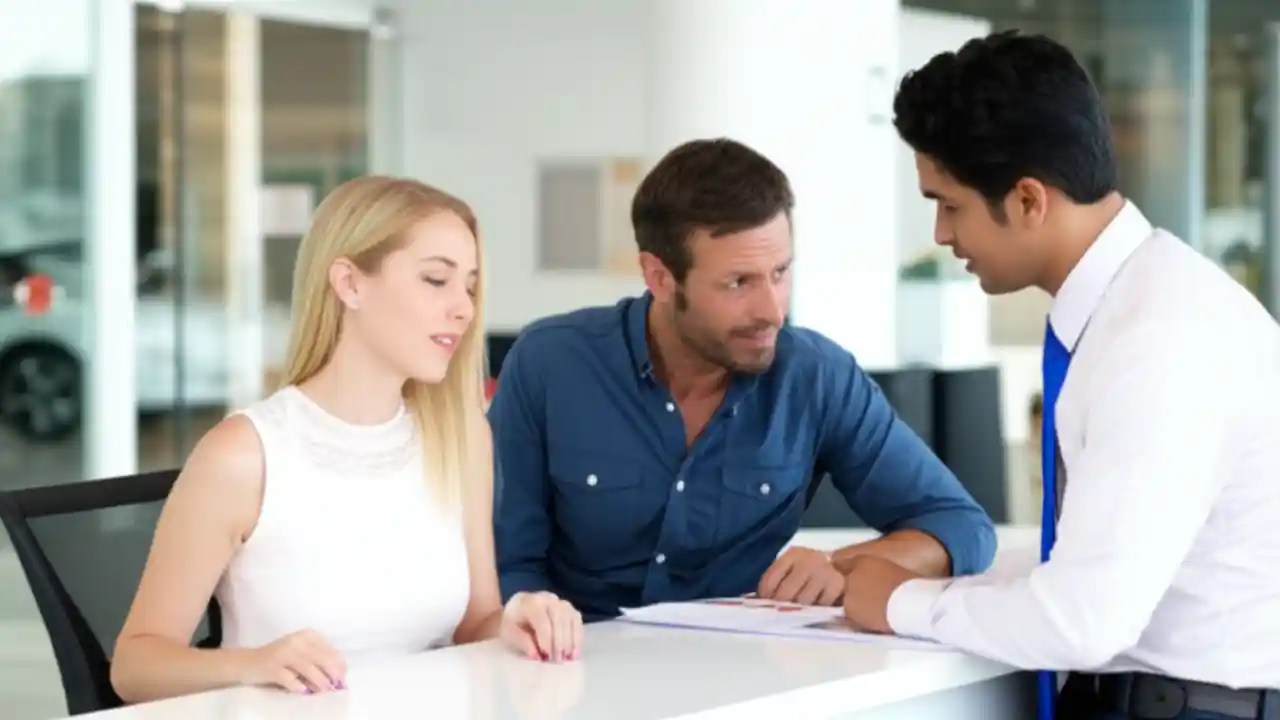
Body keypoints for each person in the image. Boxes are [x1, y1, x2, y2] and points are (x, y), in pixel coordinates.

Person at [842, 31, 1280, 720]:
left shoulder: (1160, 340)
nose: (940, 235)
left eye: (949, 204)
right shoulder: (1133, 307)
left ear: (1027, 201)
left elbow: (1084, 619)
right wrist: (918, 575)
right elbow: (1095, 563)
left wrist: (898, 603)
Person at [111, 177, 583, 704]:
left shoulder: (461, 438)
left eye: (469, 286)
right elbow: (135, 666)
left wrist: (516, 621)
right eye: (435, 280)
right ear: (350, 284)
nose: (465, 309)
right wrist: (253, 664)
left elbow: (472, 623)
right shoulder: (245, 455)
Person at [489, 138, 996, 621]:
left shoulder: (815, 377)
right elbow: (506, 565)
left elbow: (960, 526)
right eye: (738, 283)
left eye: (780, 273)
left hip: (745, 678)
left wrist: (841, 564)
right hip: (572, 672)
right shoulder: (549, 364)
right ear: (660, 277)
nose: (772, 311)